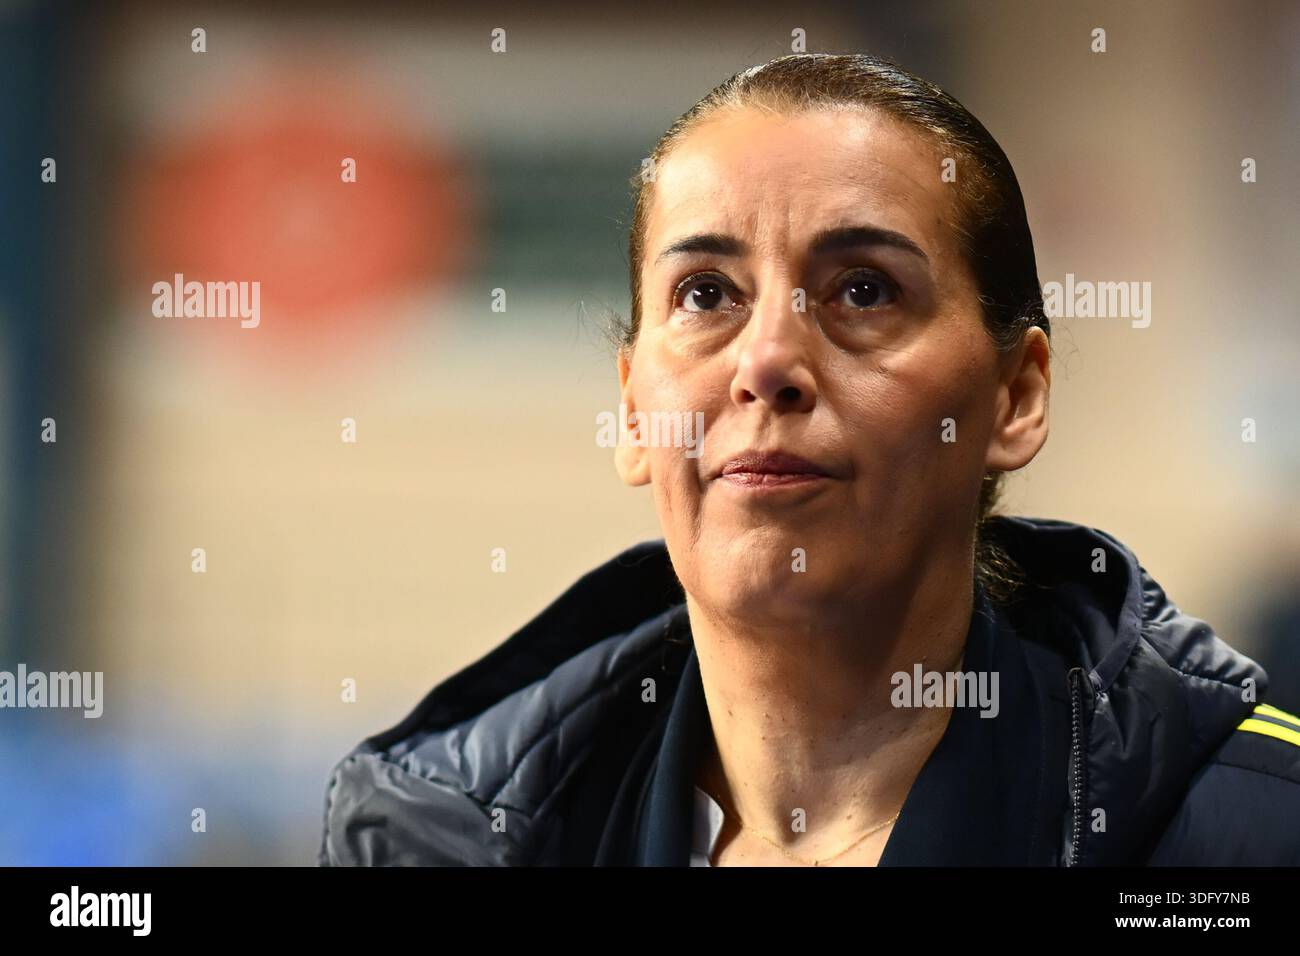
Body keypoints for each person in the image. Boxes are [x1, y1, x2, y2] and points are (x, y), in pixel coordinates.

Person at [318, 52, 1300, 866]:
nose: (769, 361)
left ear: (1015, 395)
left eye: (863, 290)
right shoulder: (443, 841)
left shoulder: (1247, 834)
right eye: (705, 293)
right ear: (629, 407)